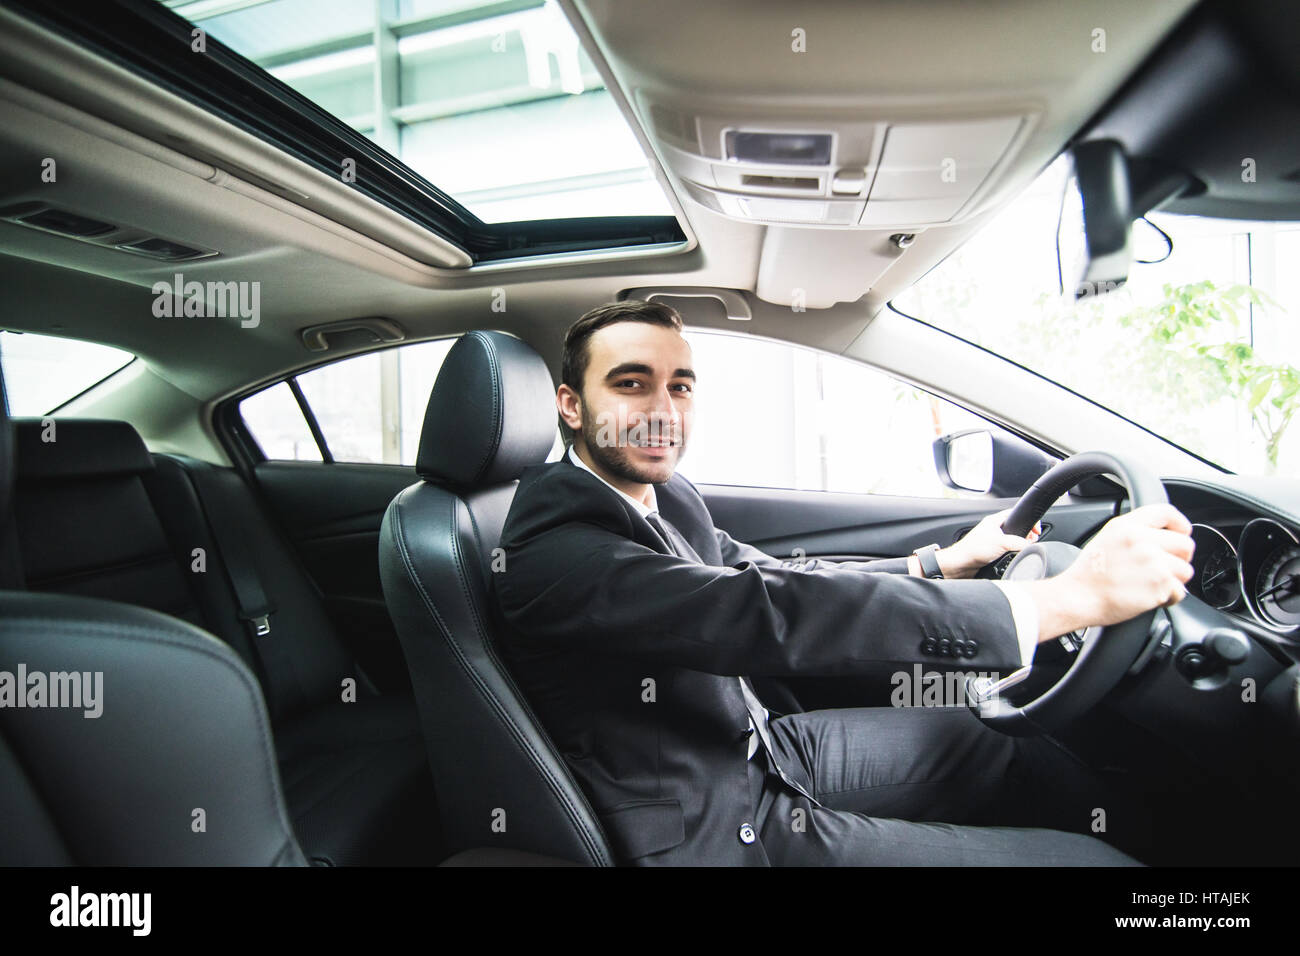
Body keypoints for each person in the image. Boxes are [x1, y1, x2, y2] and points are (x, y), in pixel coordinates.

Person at [491, 300, 1195, 866]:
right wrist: (1060, 601)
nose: (663, 409)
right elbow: (762, 612)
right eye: (630, 382)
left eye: (679, 385)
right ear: (571, 406)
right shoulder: (557, 549)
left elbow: (772, 571)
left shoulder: (662, 497)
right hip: (716, 819)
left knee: (992, 743)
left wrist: (940, 564)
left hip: (757, 747)